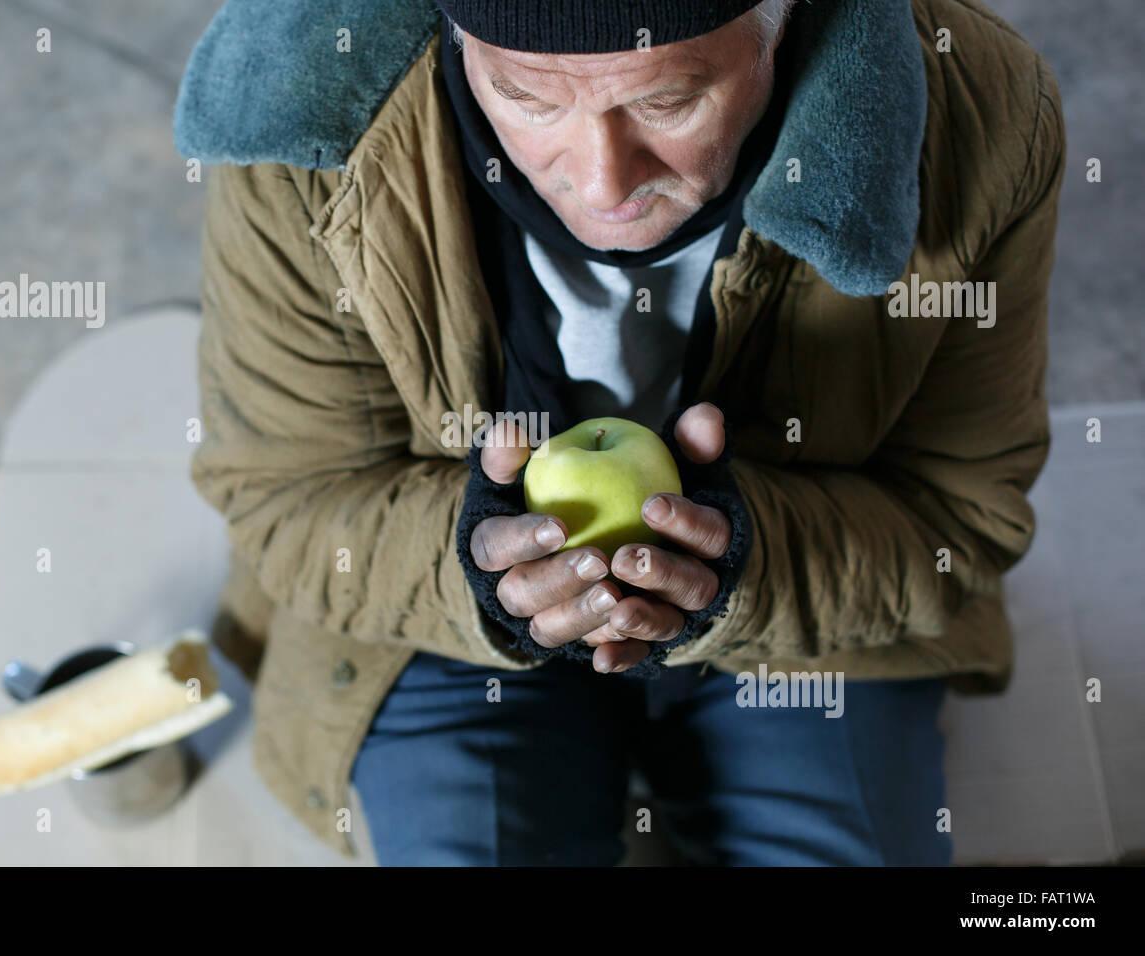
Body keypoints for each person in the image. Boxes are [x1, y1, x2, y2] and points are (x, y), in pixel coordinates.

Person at [175, 0, 1064, 864]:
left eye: (667, 102)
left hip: (811, 609)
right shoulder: (298, 111)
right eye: (527, 97)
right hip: (430, 616)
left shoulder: (978, 116)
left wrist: (751, 565)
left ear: (784, 19)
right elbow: (290, 491)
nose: (602, 183)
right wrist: (473, 568)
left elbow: (961, 512)